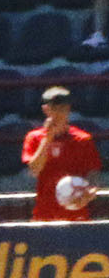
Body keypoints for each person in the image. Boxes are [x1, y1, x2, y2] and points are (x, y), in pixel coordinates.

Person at [26, 86, 102, 221]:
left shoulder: (82, 139)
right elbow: (34, 170)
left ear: (68, 110)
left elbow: (93, 172)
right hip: (45, 215)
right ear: (45, 109)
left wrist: (90, 191)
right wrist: (48, 138)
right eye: (54, 109)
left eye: (63, 109)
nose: (59, 114)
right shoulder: (34, 137)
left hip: (76, 214)